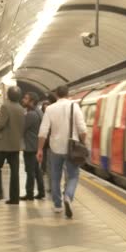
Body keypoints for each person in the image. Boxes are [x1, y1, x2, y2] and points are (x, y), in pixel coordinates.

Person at [37, 85, 87, 218]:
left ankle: (58, 205)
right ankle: (68, 197)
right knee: (73, 176)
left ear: (56, 94)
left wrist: (40, 149)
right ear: (68, 94)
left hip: (55, 148)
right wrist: (83, 143)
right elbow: (82, 130)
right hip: (71, 148)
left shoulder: (50, 109)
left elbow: (43, 132)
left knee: (55, 176)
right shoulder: (74, 106)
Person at [0, 86, 25, 204]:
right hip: (15, 145)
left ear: (8, 95)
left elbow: (1, 124)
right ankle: (15, 198)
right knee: (14, 172)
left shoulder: (6, 107)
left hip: (3, 144)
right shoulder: (22, 109)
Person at [21, 92, 46, 201]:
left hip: (30, 147)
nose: (23, 100)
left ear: (32, 101)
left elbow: (22, 128)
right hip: (36, 146)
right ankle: (41, 192)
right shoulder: (39, 112)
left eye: (26, 98)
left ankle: (29, 194)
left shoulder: (31, 114)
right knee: (36, 170)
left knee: (30, 171)